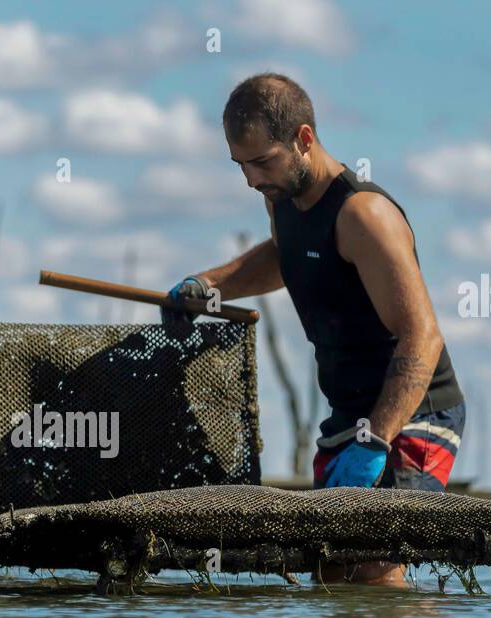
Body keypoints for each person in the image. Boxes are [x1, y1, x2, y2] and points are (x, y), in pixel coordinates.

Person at [162, 73, 465, 586]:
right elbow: (286, 257)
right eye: (241, 165)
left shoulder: (363, 215)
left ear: (304, 139)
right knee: (329, 568)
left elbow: (424, 337)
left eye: (263, 162)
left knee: (374, 562)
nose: (252, 180)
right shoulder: (282, 200)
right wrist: (208, 285)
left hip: (415, 412)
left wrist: (377, 441)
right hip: (347, 411)